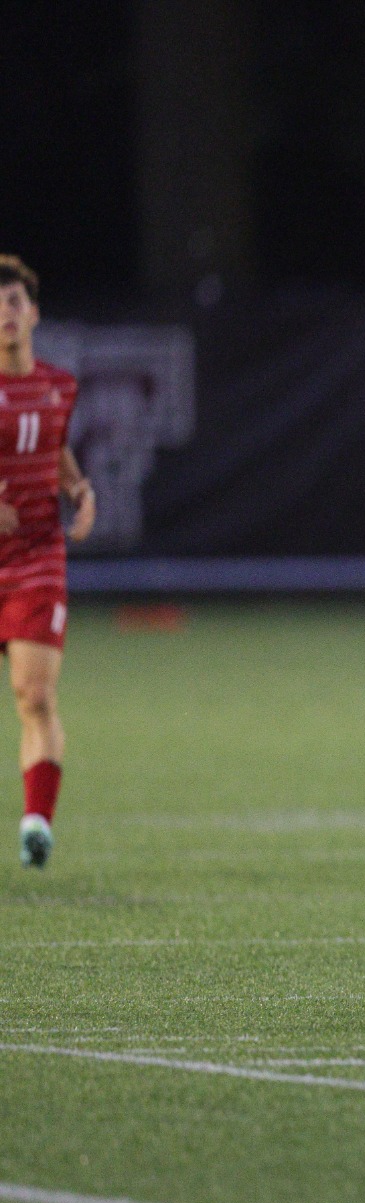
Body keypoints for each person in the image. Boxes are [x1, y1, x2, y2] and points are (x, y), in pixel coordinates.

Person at [0, 257, 95, 868]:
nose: (5, 314)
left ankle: (37, 821)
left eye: (14, 302)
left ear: (33, 313)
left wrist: (82, 492)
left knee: (33, 696)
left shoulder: (59, 385)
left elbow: (56, 452)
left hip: (36, 556)